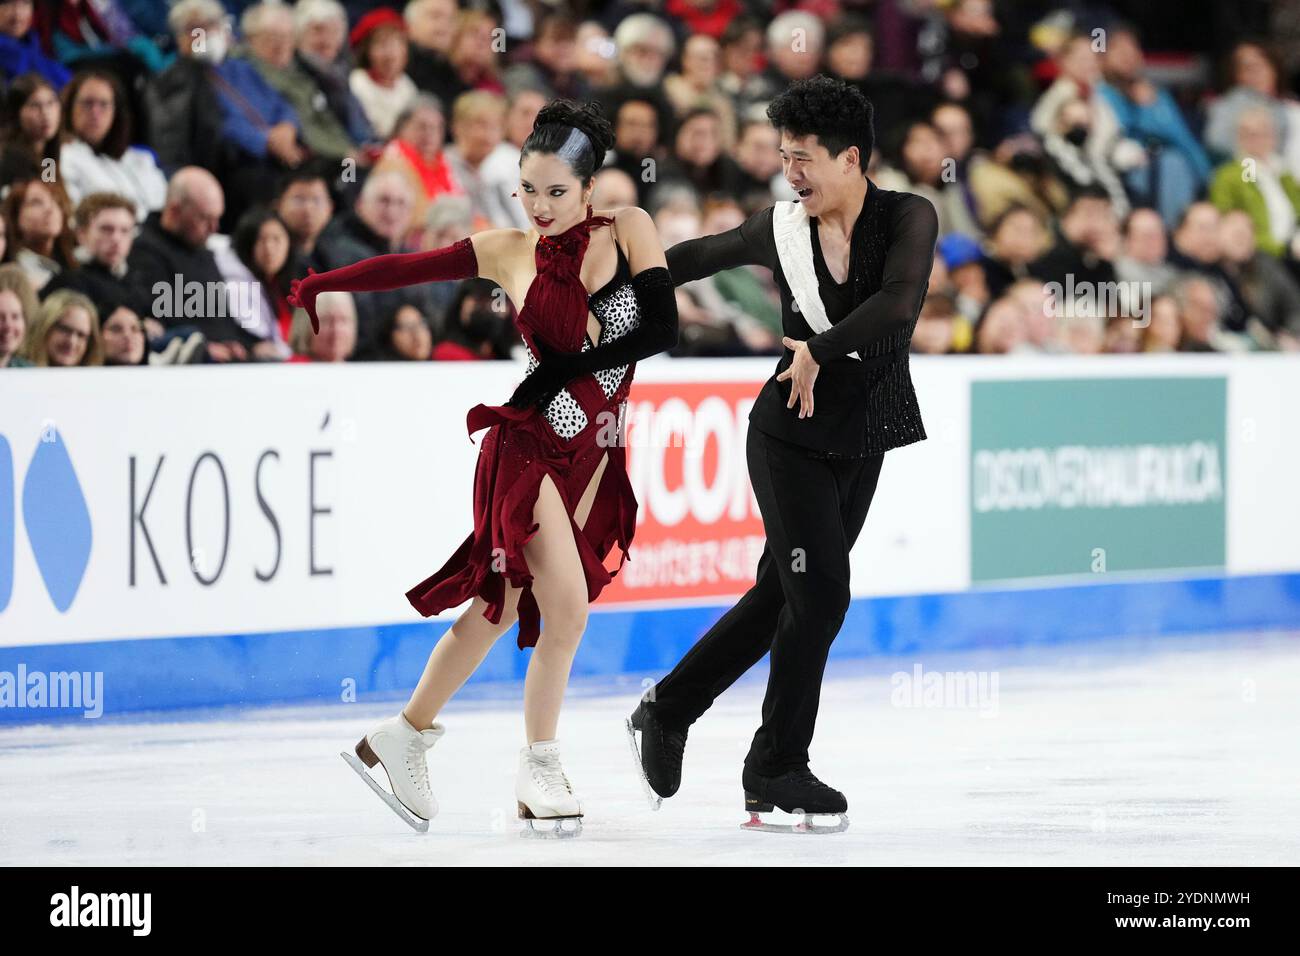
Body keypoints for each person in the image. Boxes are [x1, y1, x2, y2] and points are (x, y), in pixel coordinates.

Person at [287, 99, 678, 835]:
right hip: (527, 449)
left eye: (557, 192)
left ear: (590, 189)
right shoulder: (508, 250)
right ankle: (539, 762)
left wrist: (567, 367)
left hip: (592, 451)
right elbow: (408, 266)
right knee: (565, 608)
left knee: (496, 611)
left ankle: (402, 737)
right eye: (527, 189)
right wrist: (321, 284)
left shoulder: (630, 227)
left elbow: (662, 327)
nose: (539, 206)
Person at [627, 75, 937, 830]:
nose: (789, 172)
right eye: (782, 155)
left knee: (786, 597)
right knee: (821, 594)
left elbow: (899, 301)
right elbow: (701, 254)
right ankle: (775, 762)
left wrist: (819, 349)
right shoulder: (782, 227)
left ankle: (669, 709)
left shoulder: (909, 218)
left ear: (851, 159)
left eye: (802, 158)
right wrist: (617, 283)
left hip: (865, 433)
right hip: (788, 434)